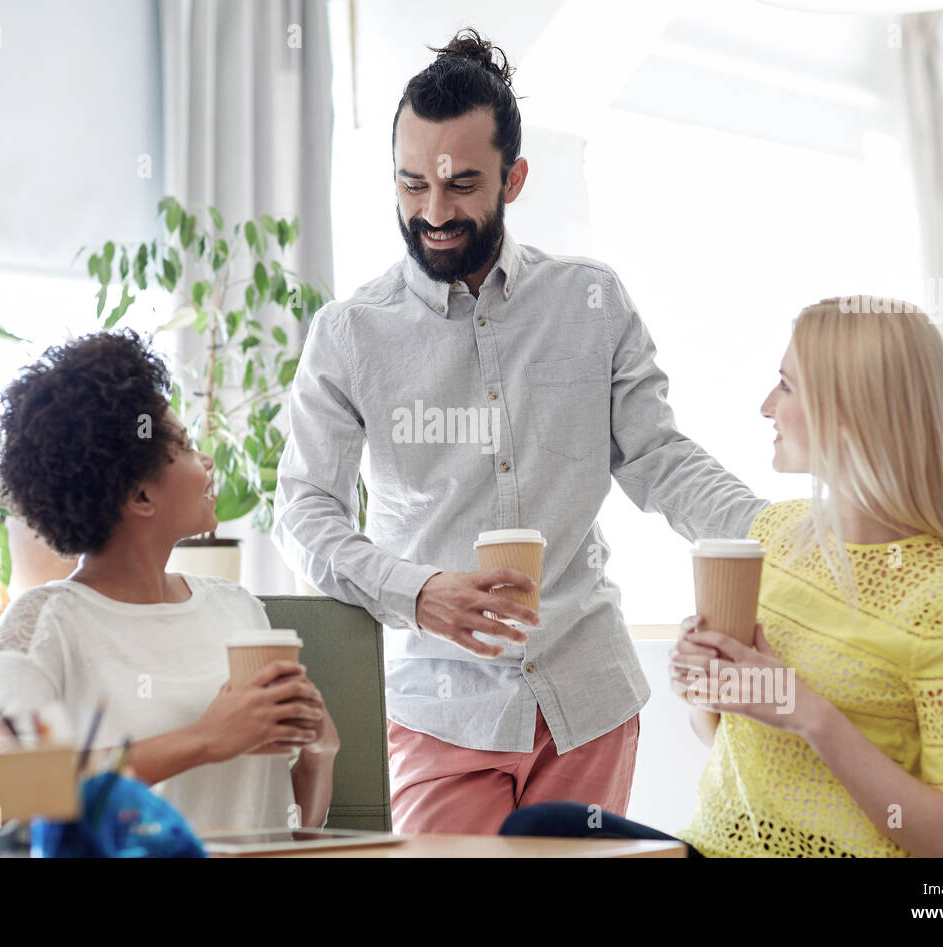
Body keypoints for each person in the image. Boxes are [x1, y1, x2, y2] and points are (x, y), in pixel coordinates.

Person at [271, 29, 766, 835]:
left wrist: (776, 531)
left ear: (516, 177)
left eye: (463, 185)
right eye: (410, 184)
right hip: (442, 707)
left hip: (589, 699)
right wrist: (418, 592)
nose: (433, 213)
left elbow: (660, 458)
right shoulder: (350, 334)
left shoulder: (591, 302)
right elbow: (305, 514)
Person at [500, 298, 943, 857]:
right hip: (714, 848)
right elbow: (719, 735)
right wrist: (711, 683)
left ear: (852, 410)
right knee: (539, 831)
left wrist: (809, 714)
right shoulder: (777, 534)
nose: (766, 406)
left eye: (787, 386)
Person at [0, 329, 339, 834]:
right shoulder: (47, 624)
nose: (206, 461)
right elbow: (4, 794)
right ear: (141, 497)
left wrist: (318, 752)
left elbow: (288, 826)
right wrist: (204, 738)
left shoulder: (236, 609)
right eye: (185, 447)